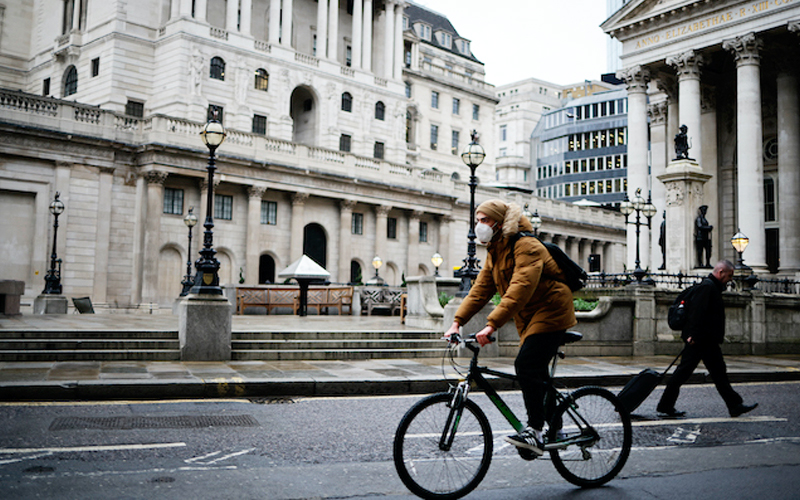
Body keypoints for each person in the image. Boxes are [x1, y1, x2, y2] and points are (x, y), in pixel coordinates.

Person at [444, 200, 576, 457]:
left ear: (499, 222)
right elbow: (480, 290)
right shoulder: (496, 249)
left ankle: (535, 431)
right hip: (530, 315)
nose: (478, 226)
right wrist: (456, 322)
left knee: (526, 364)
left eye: (484, 220)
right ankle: (556, 426)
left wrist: (491, 325)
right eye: (477, 220)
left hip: (552, 309)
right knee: (536, 371)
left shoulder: (527, 245)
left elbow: (520, 289)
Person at [657, 260, 758, 418]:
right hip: (700, 340)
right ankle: (665, 405)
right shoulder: (707, 287)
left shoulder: (712, 287)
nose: (730, 279)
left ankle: (734, 405)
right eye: (729, 275)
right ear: (720, 273)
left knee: (719, 373)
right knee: (683, 373)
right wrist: (693, 335)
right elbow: (697, 313)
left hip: (707, 340)